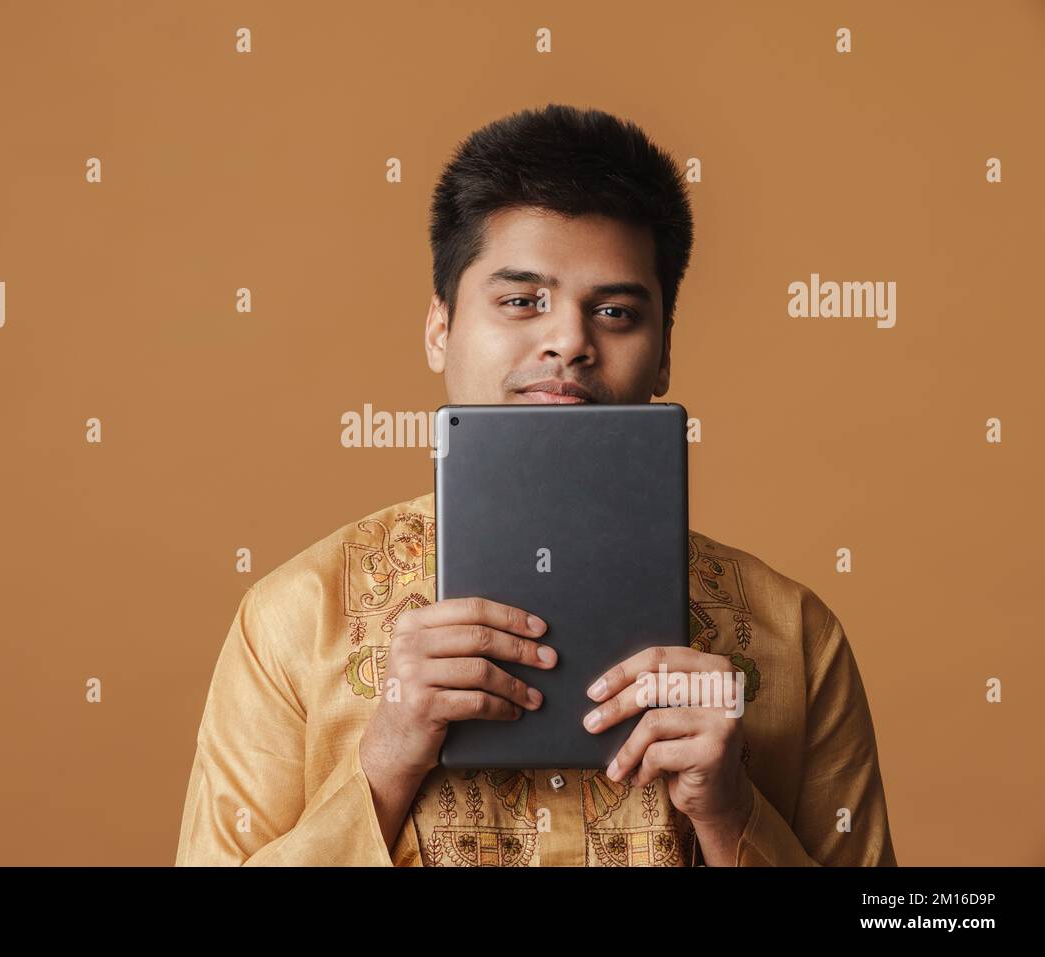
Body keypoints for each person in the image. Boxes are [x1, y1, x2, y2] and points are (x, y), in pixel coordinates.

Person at [175, 103, 897, 867]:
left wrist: (729, 815)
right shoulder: (294, 619)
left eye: (615, 311)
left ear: (664, 356)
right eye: (522, 301)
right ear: (439, 326)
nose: (570, 341)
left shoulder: (793, 634)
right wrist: (383, 764)